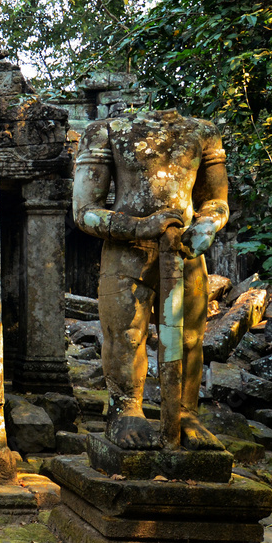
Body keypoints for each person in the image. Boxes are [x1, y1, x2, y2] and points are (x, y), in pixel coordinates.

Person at [73, 110, 228, 450]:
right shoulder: (106, 131)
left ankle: (186, 413)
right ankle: (126, 409)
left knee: (190, 338)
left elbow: (216, 201)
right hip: (127, 252)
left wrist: (206, 225)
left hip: (185, 249)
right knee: (126, 335)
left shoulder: (203, 132)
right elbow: (84, 210)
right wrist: (140, 226)